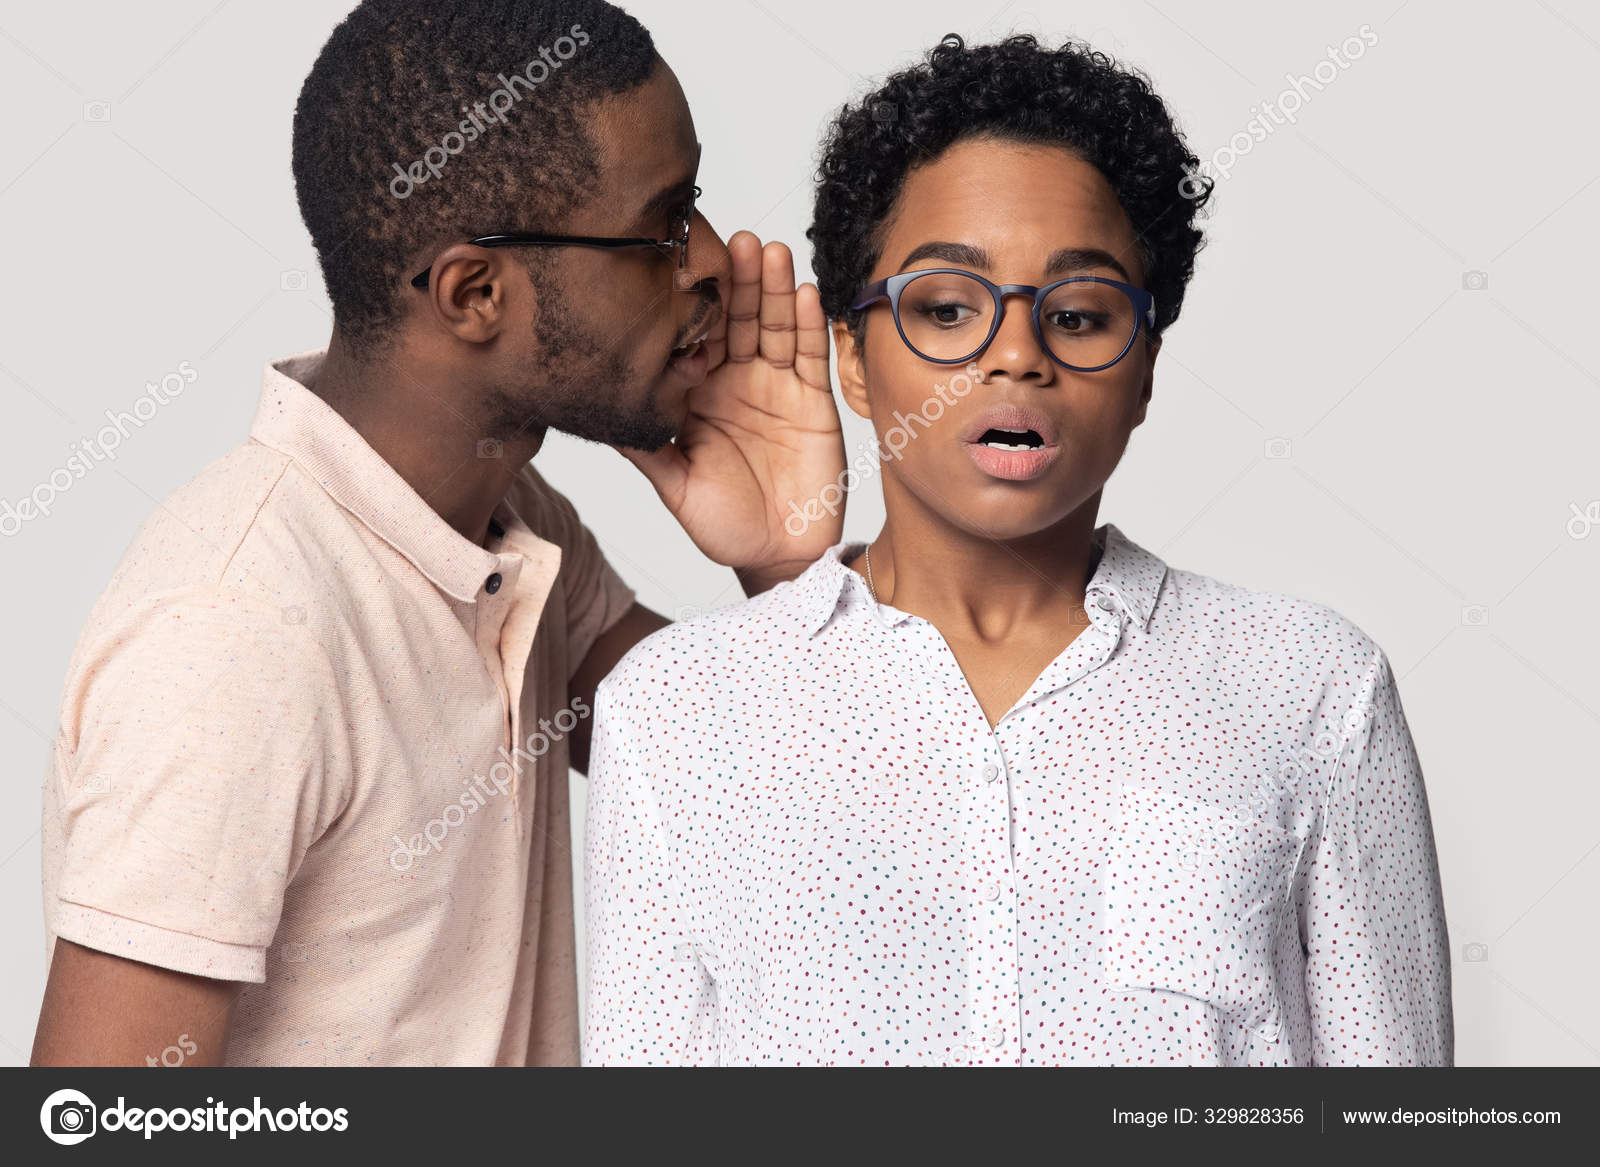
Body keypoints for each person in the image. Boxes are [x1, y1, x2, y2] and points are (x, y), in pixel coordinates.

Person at [583, 33, 1453, 1066]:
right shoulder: (678, 711)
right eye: (946, 308)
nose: (1014, 353)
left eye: (1079, 315)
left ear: (1143, 373)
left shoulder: (1307, 685)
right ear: (854, 362)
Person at [32, 0, 843, 1066]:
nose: (706, 259)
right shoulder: (236, 632)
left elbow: (772, 801)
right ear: (473, 293)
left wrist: (785, 562)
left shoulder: (510, 524)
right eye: (661, 224)